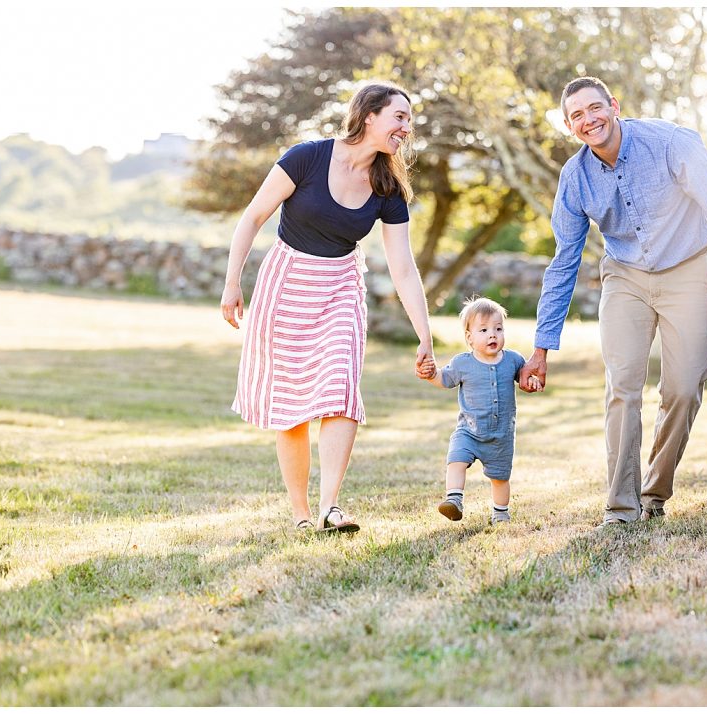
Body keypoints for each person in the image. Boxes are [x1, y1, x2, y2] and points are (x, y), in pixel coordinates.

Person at [519, 76, 707, 526]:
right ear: (569, 127)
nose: (589, 120)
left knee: (684, 387)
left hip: (687, 267)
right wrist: (542, 349)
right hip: (624, 276)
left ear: (614, 105)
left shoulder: (672, 144)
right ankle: (621, 507)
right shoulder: (575, 178)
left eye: (595, 108)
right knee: (623, 387)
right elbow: (563, 263)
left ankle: (654, 494)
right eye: (577, 116)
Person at [220, 80, 438, 533]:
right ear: (369, 115)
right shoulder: (307, 157)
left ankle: (329, 507)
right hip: (287, 282)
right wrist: (232, 283)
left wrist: (424, 334)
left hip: (341, 286)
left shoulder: (388, 187)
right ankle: (301, 514)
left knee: (341, 385)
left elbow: (402, 266)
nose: (406, 128)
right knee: (292, 404)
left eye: (409, 120)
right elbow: (253, 216)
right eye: (399, 117)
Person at [419, 296, 539, 524]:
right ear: (469, 338)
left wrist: (531, 382)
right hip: (469, 431)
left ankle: (501, 512)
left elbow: (525, 378)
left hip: (501, 436)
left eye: (498, 329)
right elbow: (444, 379)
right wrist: (431, 374)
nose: (492, 335)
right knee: (456, 459)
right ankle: (454, 500)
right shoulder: (462, 363)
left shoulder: (513, 360)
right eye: (483, 330)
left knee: (500, 478)